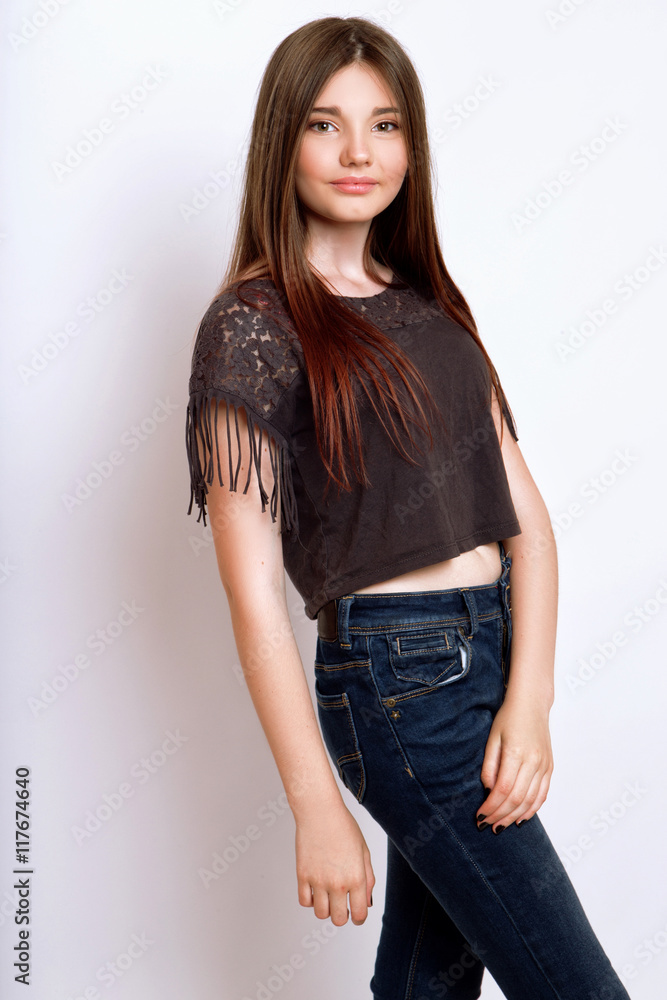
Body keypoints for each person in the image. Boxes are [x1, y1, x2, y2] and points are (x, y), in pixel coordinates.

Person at [185, 16, 631, 1000]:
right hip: (401, 684)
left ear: (410, 145)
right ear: (281, 141)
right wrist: (314, 801)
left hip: (489, 655)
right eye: (325, 124)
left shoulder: (430, 306)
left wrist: (530, 696)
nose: (358, 151)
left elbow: (526, 523)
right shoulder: (252, 325)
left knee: (428, 981)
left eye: (383, 125)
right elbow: (252, 594)